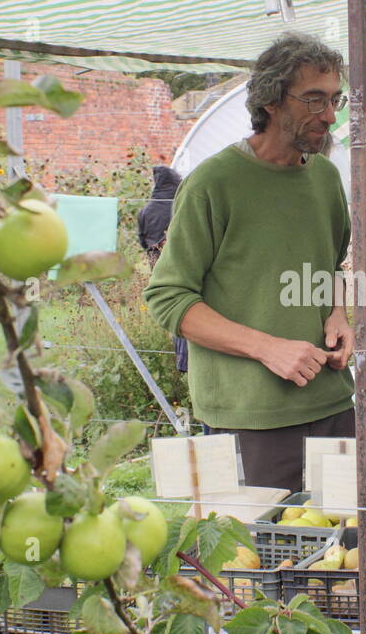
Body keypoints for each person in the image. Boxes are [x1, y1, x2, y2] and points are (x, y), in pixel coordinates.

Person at [144, 32, 354, 492]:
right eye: (315, 100)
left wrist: (337, 313)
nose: (331, 115)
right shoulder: (213, 183)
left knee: (345, 553)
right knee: (259, 556)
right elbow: (168, 298)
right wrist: (267, 347)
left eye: (336, 99)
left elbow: (331, 267)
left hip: (333, 406)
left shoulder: (324, 177)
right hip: (250, 417)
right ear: (272, 101)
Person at [138, 165, 189, 373]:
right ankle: (184, 360)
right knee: (183, 304)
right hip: (183, 265)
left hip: (157, 264)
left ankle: (180, 358)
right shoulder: (181, 204)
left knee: (166, 304)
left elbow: (142, 241)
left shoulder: (147, 210)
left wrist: (155, 251)